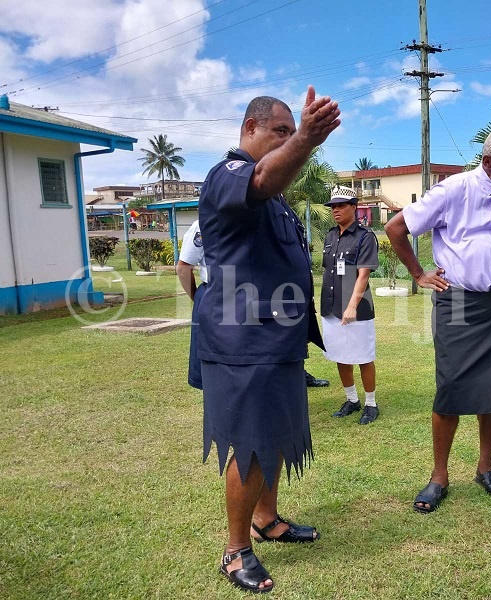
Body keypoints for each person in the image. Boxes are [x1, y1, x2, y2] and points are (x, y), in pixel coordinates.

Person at [197, 88, 340, 594]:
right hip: (243, 344)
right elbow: (261, 178)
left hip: (278, 340)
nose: (287, 140)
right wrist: (307, 138)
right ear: (250, 129)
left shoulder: (277, 200)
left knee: (275, 434)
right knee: (251, 443)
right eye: (279, 131)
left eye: (291, 132)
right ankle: (236, 550)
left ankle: (266, 518)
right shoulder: (227, 175)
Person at [385, 125, 491, 513]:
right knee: (451, 388)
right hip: (458, 302)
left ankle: (486, 467)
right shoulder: (454, 190)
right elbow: (395, 228)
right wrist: (418, 274)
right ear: (488, 162)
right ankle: (439, 476)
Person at [176, 219, 330, 391]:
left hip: (262, 293)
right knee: (224, 356)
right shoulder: (204, 224)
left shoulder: (268, 219)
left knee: (266, 348)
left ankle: (294, 374)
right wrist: (199, 297)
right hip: (222, 296)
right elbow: (183, 268)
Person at [320, 185, 381, 425]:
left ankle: (371, 403)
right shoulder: (330, 236)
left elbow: (363, 275)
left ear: (354, 208)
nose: (335, 210)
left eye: (341, 206)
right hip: (331, 306)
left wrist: (352, 305)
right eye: (333, 206)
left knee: (363, 356)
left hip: (357, 308)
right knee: (340, 355)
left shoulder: (365, 237)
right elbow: (328, 271)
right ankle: (352, 399)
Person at [176, 220, 208, 390]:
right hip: (256, 296)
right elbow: (183, 269)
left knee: (210, 367)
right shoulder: (267, 218)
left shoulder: (204, 222)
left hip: (212, 295)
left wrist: (198, 297)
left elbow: (183, 269)